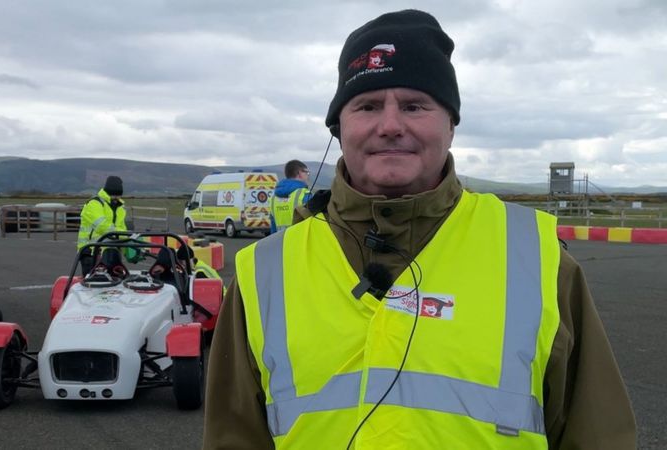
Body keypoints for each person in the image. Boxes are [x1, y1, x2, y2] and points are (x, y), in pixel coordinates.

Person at [203, 9, 636, 450]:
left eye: (414, 105)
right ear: (339, 128)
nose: (390, 126)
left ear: (450, 124)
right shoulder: (262, 274)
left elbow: (597, 434)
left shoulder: (540, 260)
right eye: (368, 106)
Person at [77, 175, 133, 276]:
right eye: (113, 195)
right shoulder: (94, 204)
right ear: (107, 192)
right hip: (92, 252)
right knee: (94, 284)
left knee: (115, 284)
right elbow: (103, 227)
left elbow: (122, 230)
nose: (115, 198)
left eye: (118, 195)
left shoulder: (120, 209)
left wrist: (129, 250)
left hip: (111, 252)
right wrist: (128, 235)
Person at [269, 160, 311, 232]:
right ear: (299, 173)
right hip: (300, 240)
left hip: (282, 242)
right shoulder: (304, 194)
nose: (308, 175)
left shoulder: (273, 198)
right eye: (306, 172)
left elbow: (273, 227)